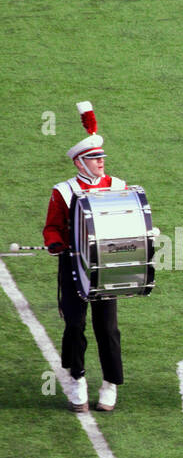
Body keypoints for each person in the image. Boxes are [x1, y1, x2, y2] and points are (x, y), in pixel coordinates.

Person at [42, 101, 127, 413]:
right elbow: (51, 228)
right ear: (80, 163)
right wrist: (55, 243)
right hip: (74, 266)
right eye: (94, 158)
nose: (100, 161)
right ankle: (76, 377)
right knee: (75, 325)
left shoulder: (118, 186)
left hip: (106, 266)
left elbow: (128, 222)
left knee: (108, 327)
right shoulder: (63, 191)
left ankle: (110, 383)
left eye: (101, 157)